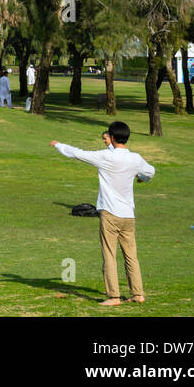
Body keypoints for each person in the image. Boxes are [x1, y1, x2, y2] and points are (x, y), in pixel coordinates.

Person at [50, 121, 156, 306]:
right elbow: (151, 172)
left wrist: (59, 145)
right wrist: (142, 178)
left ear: (112, 138)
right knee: (131, 255)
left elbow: (77, 153)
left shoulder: (106, 157)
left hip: (110, 214)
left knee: (109, 255)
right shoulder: (135, 158)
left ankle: (114, 296)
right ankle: (138, 293)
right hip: (128, 215)